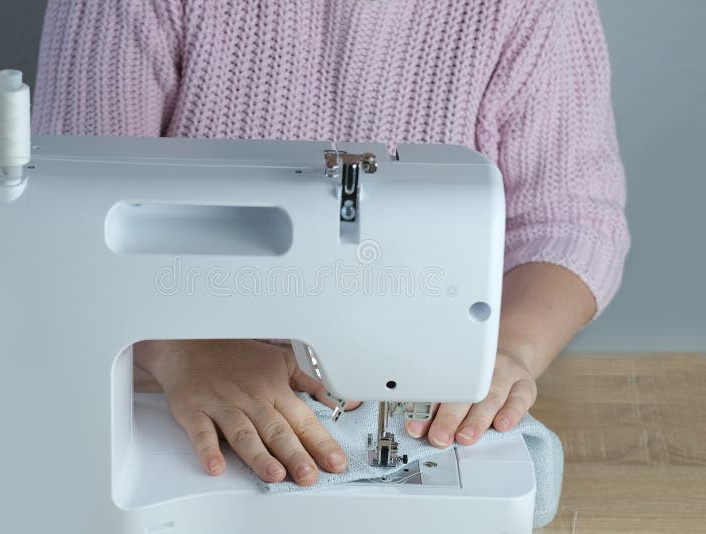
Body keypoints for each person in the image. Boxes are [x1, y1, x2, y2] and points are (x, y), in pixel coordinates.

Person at [33, 0, 630, 487]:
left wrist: (508, 351)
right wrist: (183, 350)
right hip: (172, 381)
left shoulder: (533, 11)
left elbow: (571, 223)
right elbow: (71, 208)